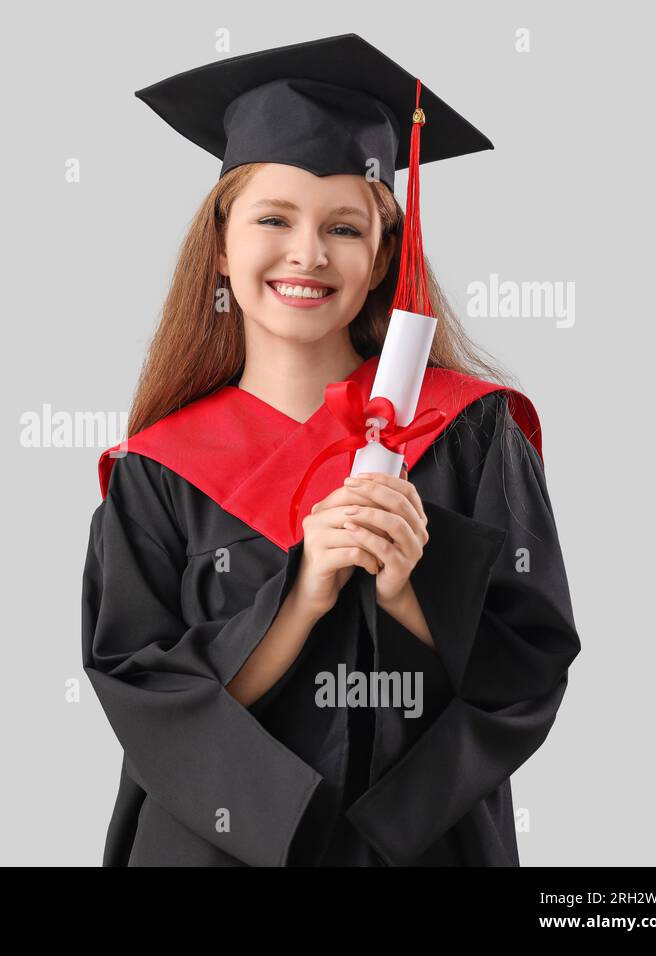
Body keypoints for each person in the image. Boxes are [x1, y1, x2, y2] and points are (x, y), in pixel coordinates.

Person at [80, 34, 581, 867]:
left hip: (419, 848)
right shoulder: (156, 472)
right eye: (273, 218)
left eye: (344, 226)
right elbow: (144, 696)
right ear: (220, 243)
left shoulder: (470, 434)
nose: (308, 253)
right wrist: (303, 593)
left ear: (383, 254)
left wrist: (410, 589)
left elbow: (529, 663)